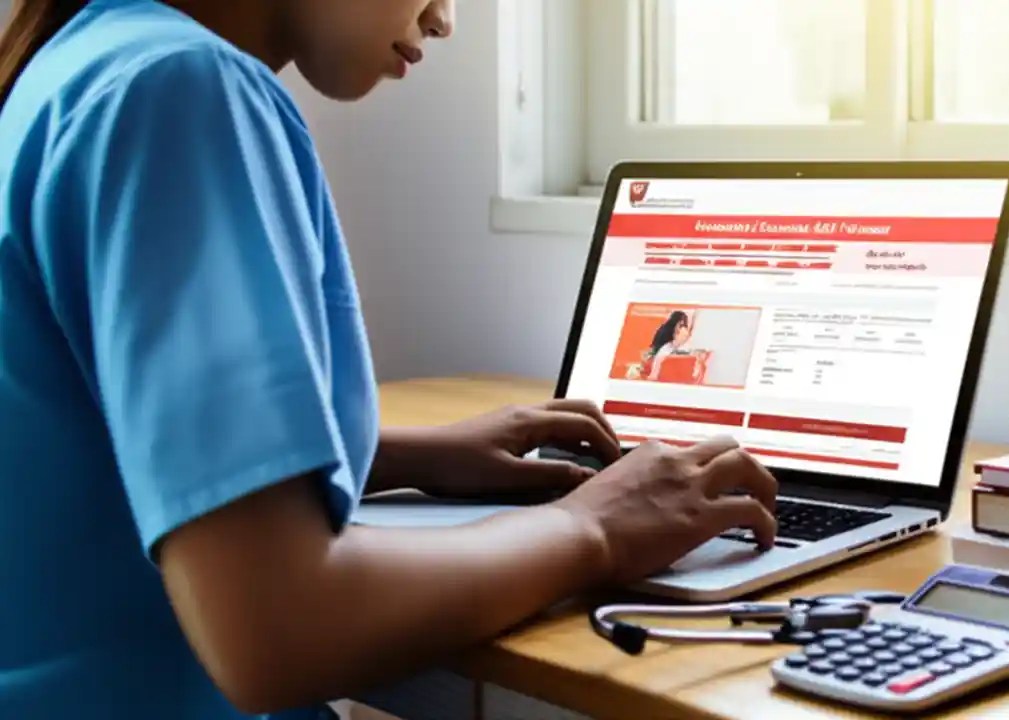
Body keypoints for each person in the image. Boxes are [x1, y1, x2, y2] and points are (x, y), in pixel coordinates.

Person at [0, 1, 778, 718]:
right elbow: (278, 627)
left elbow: (95, 445)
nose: (443, 18)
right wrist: (595, 528)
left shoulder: (86, 67)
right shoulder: (182, 91)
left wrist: (402, 454)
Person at [645, 311, 709, 382]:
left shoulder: (675, 347)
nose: (689, 334)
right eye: (684, 326)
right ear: (677, 329)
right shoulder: (667, 350)